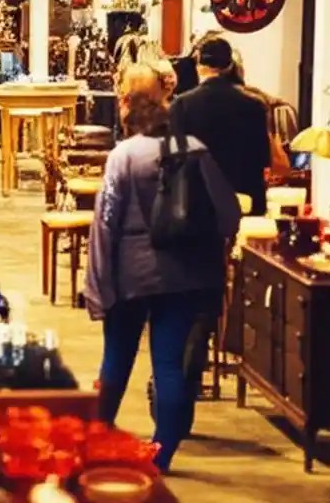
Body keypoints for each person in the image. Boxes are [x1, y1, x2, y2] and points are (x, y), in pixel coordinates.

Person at [85, 65, 241, 472]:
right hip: (184, 278)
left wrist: (98, 285)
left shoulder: (124, 155)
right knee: (169, 365)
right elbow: (228, 214)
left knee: (116, 359)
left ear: (129, 121)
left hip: (129, 276)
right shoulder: (195, 149)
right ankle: (162, 454)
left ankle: (97, 439)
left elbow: (105, 223)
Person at [169, 37, 272, 214]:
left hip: (199, 206)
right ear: (230, 66)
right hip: (243, 202)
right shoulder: (254, 105)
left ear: (199, 66)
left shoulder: (182, 105)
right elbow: (262, 159)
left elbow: (176, 161)